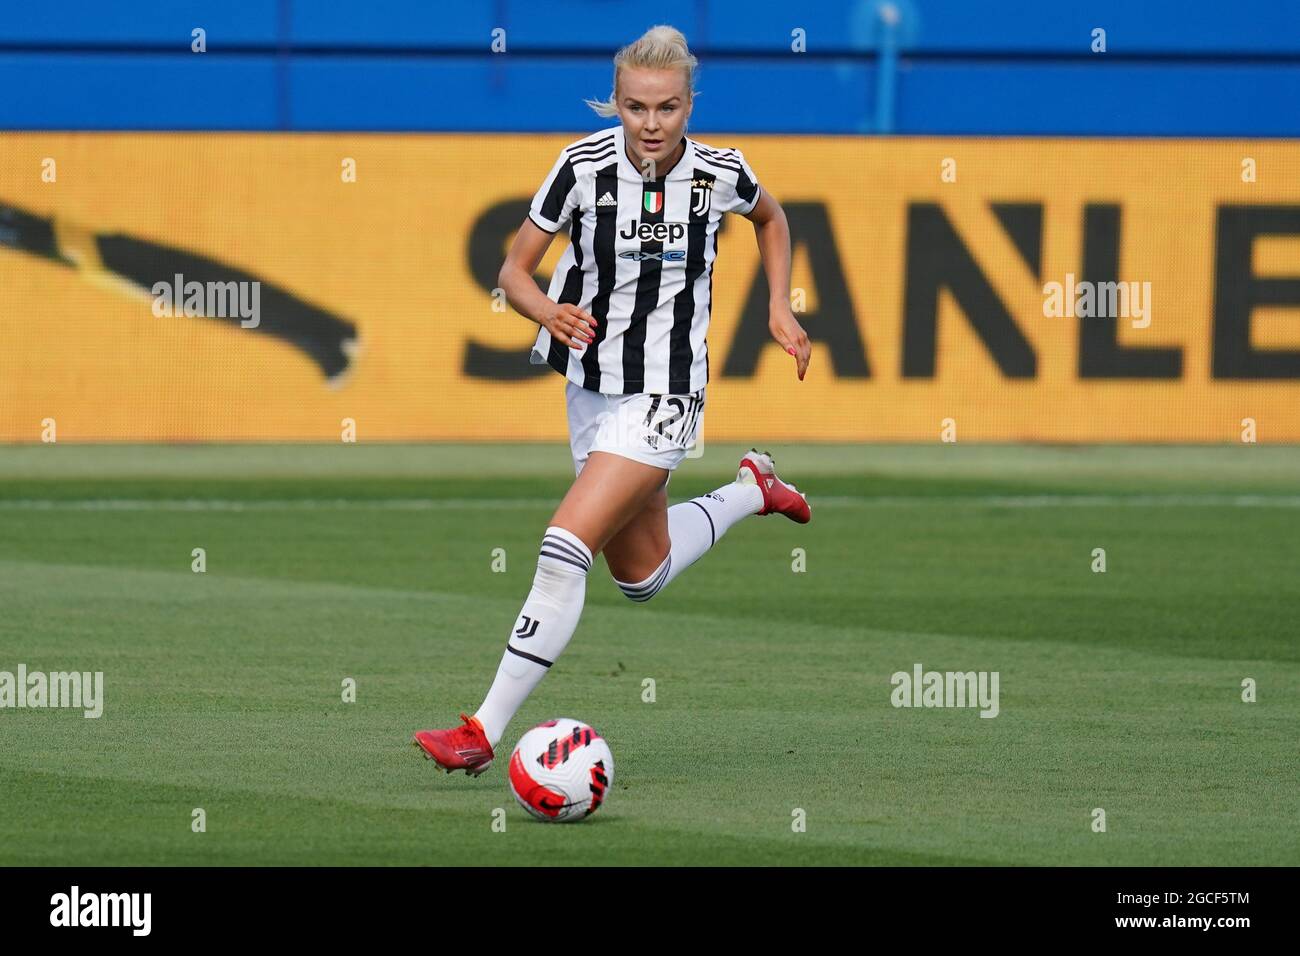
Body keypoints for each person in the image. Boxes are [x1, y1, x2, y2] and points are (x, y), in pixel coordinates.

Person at [413, 24, 812, 775]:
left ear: (689, 104)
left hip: (666, 392)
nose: (651, 125)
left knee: (565, 548)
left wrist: (779, 306)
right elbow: (514, 271)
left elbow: (771, 218)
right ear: (616, 104)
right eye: (635, 108)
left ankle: (480, 731)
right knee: (641, 575)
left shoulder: (718, 174)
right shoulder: (579, 167)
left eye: (667, 108)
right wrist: (543, 311)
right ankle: (751, 491)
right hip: (590, 388)